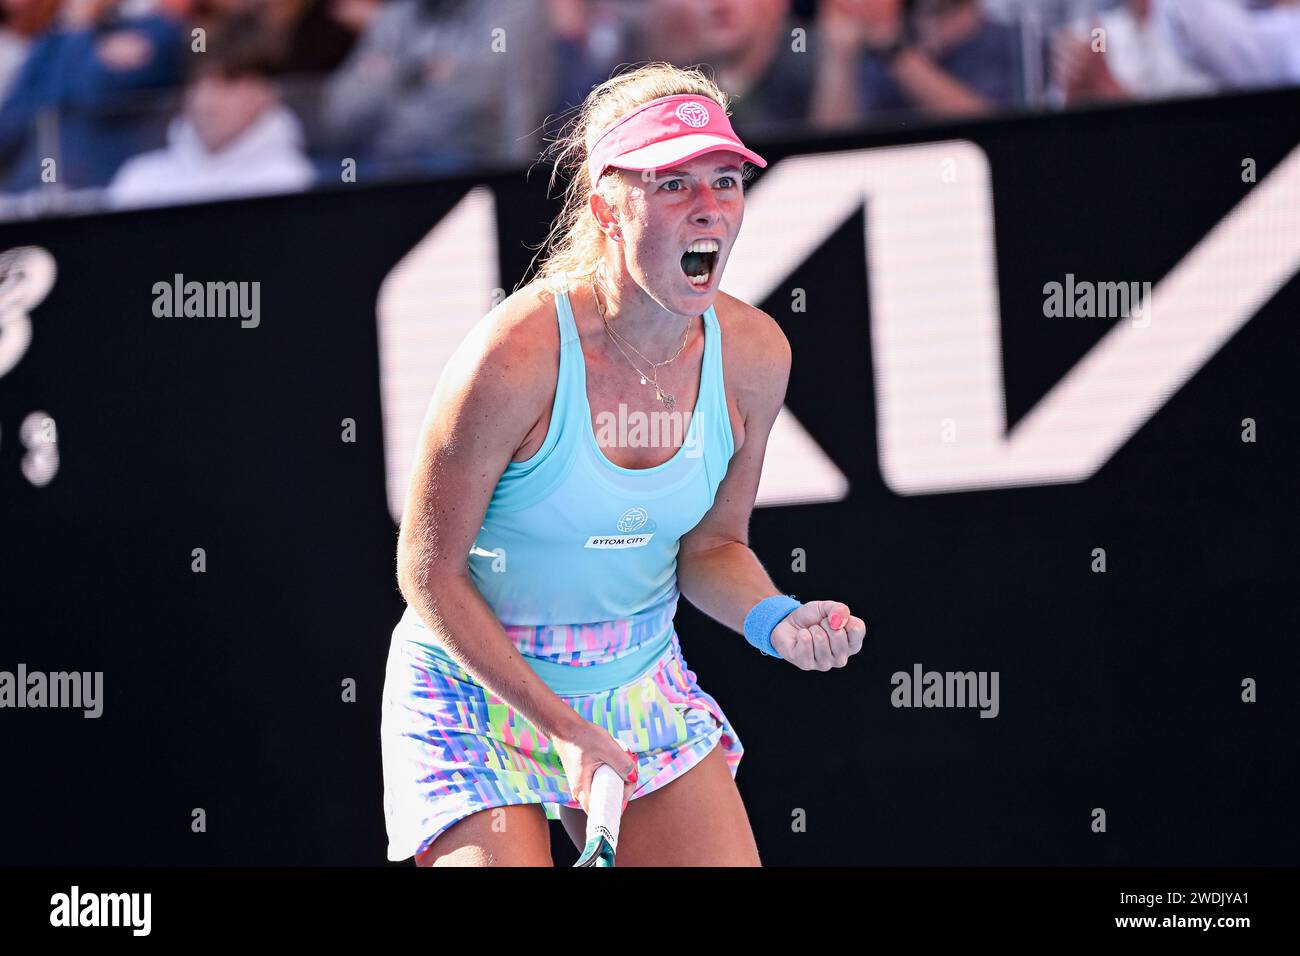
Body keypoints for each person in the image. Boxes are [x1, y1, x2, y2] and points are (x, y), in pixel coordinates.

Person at [381, 61, 867, 867]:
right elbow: (428, 572)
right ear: (608, 205)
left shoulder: (754, 356)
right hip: (475, 687)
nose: (709, 207)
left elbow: (712, 548)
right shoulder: (514, 357)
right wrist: (562, 730)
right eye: (672, 185)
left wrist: (777, 619)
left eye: (724, 180)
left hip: (636, 679)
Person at [107, 13, 315, 209]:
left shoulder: (293, 182)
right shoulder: (140, 178)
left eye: (227, 82)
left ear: (267, 92)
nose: (206, 99)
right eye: (198, 82)